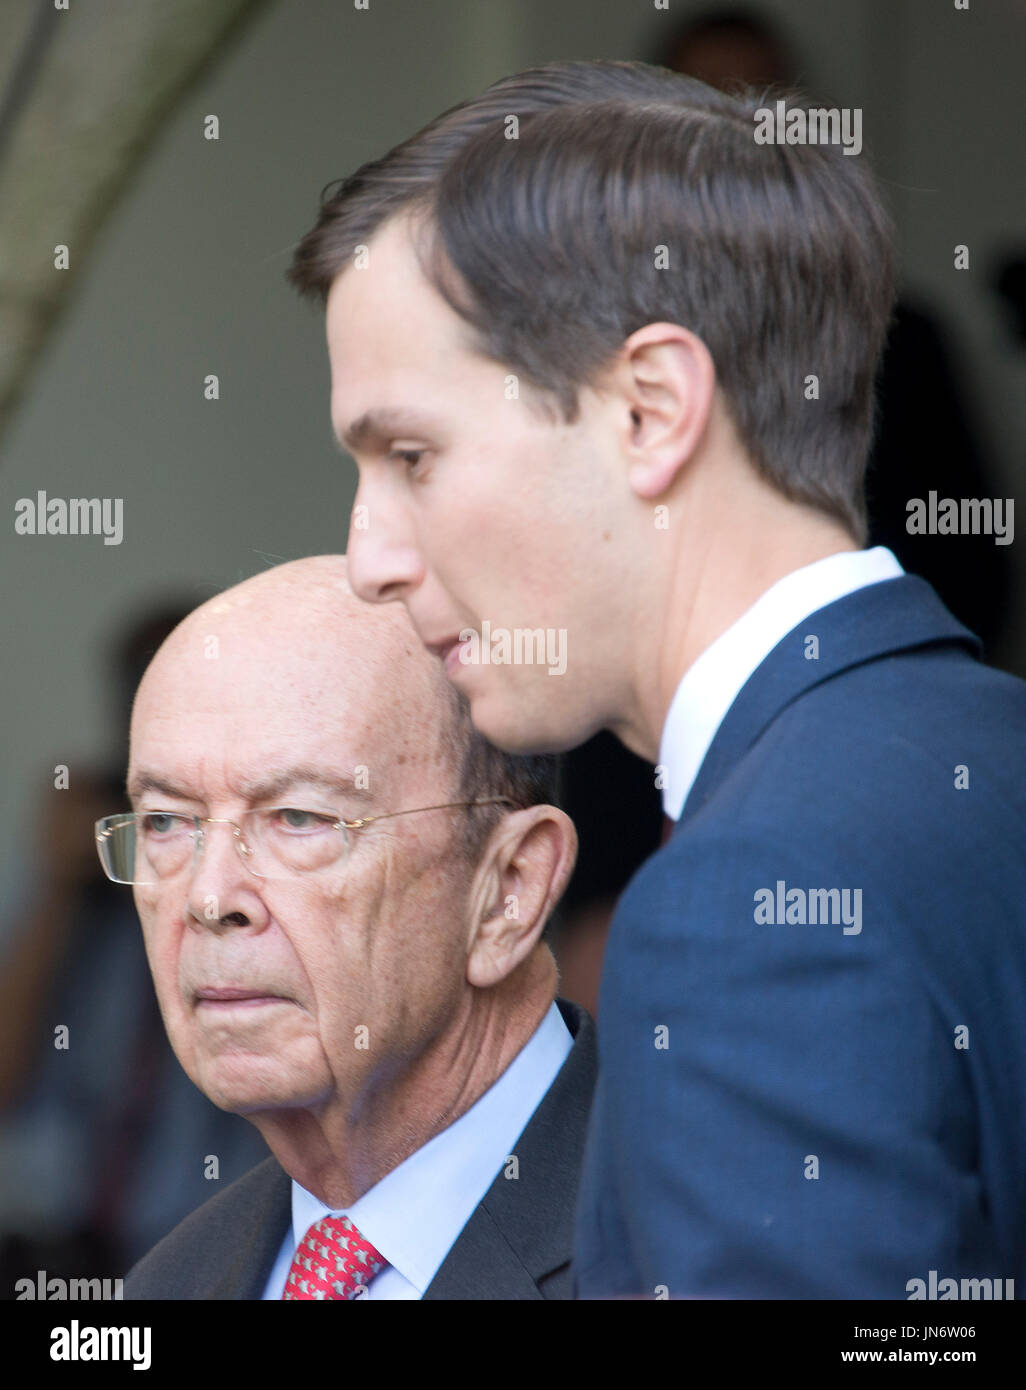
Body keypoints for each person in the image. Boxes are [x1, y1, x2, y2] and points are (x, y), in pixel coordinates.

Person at [286, 60, 1026, 1298]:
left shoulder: (742, 901)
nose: (367, 557)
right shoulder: (988, 747)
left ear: (650, 410)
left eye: (412, 452)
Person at [115, 556, 593, 1299]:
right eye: (167, 822)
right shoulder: (170, 1285)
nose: (210, 898)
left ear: (510, 889)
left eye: (300, 819)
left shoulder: (702, 1243)